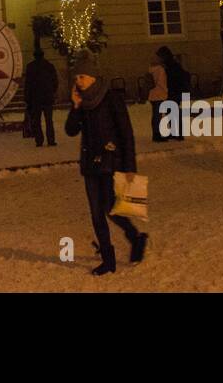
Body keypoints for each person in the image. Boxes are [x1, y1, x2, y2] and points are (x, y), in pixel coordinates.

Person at [65, 51, 146, 276]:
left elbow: (125, 132)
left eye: (82, 76)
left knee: (110, 209)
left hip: (112, 161)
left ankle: (135, 237)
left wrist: (130, 166)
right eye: (76, 77)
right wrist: (75, 106)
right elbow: (71, 130)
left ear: (93, 76)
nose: (78, 81)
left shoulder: (111, 98)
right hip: (90, 164)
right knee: (95, 213)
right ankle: (109, 260)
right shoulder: (83, 103)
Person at [22, 44, 59, 147]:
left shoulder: (30, 67)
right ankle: (51, 140)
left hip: (35, 98)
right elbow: (55, 81)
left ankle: (39, 140)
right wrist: (52, 91)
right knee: (49, 121)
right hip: (47, 97)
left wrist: (27, 98)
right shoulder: (49, 66)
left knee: (37, 121)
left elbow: (28, 83)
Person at [146, 50, 170, 142]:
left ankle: (156, 134)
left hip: (152, 94)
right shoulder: (160, 69)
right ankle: (157, 135)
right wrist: (166, 91)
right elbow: (161, 82)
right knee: (158, 116)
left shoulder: (150, 69)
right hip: (159, 94)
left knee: (155, 115)